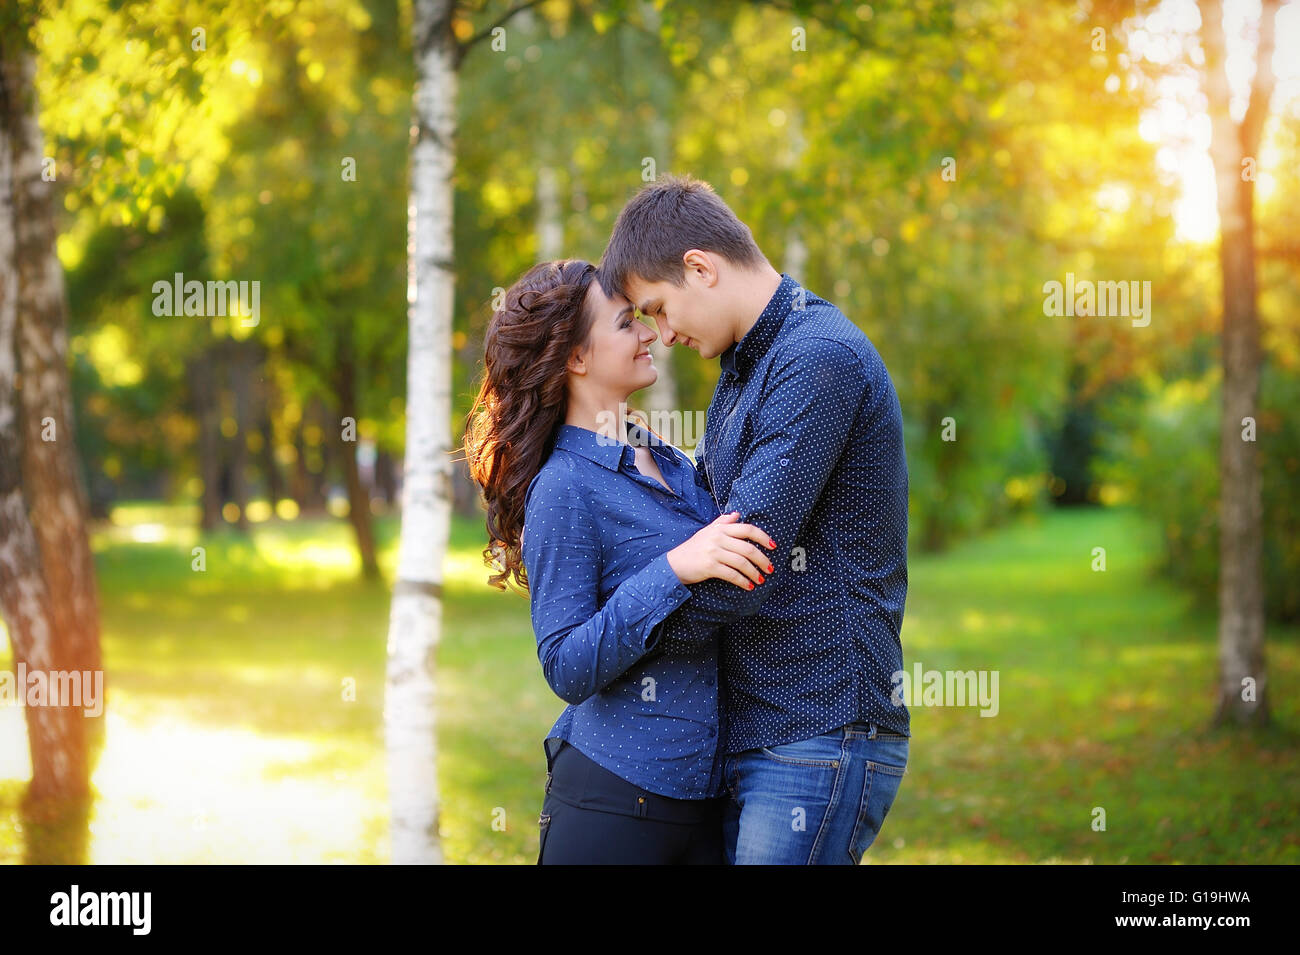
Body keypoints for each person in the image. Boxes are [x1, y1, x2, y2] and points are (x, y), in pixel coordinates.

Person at [595, 173, 911, 865]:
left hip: (818, 728)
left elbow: (745, 557)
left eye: (658, 307)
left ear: (700, 268)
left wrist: (610, 642)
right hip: (758, 728)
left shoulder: (816, 358)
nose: (663, 333)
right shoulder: (745, 367)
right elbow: (703, 530)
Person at [463, 259, 774, 864]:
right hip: (614, 803)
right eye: (627, 323)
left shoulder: (673, 462)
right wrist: (673, 570)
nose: (651, 334)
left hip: (705, 801)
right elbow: (565, 665)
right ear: (576, 358)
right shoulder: (564, 486)